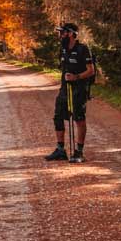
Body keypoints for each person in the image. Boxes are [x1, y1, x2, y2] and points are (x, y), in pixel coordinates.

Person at [45, 23, 95, 163]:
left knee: (79, 118)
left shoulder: (82, 49)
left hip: (79, 89)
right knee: (58, 117)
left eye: (63, 33)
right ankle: (60, 149)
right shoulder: (63, 49)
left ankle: (79, 152)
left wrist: (76, 77)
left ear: (71, 34)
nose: (60, 35)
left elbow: (91, 71)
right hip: (64, 89)